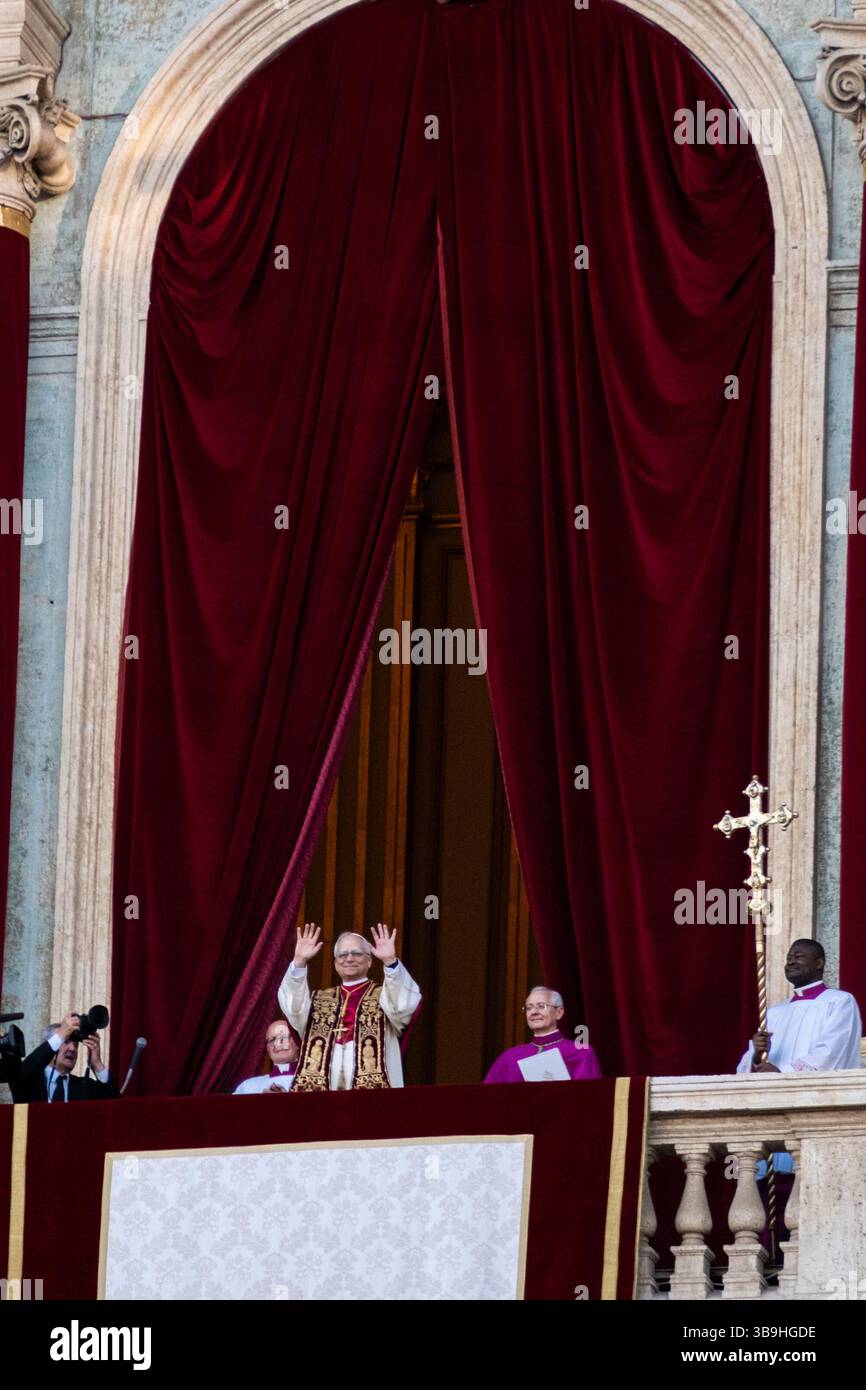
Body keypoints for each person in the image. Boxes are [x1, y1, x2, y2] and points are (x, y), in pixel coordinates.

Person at [279, 923, 421, 1090]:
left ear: (369, 961)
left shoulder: (385, 996)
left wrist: (390, 962)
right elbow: (293, 1009)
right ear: (335, 963)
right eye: (342, 955)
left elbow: (403, 1007)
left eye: (357, 953)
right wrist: (299, 962)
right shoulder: (317, 1000)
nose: (349, 958)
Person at [736, 939, 862, 1076]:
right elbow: (749, 1068)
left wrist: (783, 1072)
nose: (790, 962)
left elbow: (832, 1050)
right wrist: (757, 1055)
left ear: (818, 963)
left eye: (798, 957)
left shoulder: (839, 1002)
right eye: (788, 958)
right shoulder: (775, 1012)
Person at [483, 986, 602, 1083]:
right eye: (529, 1008)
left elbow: (589, 1098)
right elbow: (487, 1097)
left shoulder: (581, 1053)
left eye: (541, 1006)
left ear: (559, 1012)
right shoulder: (509, 1057)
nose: (534, 1012)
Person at [11, 1012, 119, 1102]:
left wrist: (97, 1064)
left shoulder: (85, 1087)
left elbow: (115, 1103)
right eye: (65, 1041)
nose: (72, 1049)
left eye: (76, 1045)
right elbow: (21, 1072)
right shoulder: (31, 1080)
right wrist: (61, 1034)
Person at [233, 1019, 299, 1095]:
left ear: (297, 1042)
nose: (278, 1044)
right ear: (267, 1049)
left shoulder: (312, 1084)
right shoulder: (247, 1087)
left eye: (284, 1037)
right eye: (272, 1040)